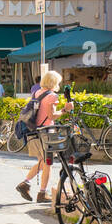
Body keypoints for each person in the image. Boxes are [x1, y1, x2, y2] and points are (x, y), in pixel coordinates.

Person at [15, 70, 72, 203]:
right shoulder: (52, 96)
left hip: (34, 131)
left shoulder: (37, 92)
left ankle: (25, 184)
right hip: (46, 132)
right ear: (54, 82)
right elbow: (52, 116)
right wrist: (65, 110)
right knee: (47, 163)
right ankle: (42, 193)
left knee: (42, 162)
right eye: (58, 82)